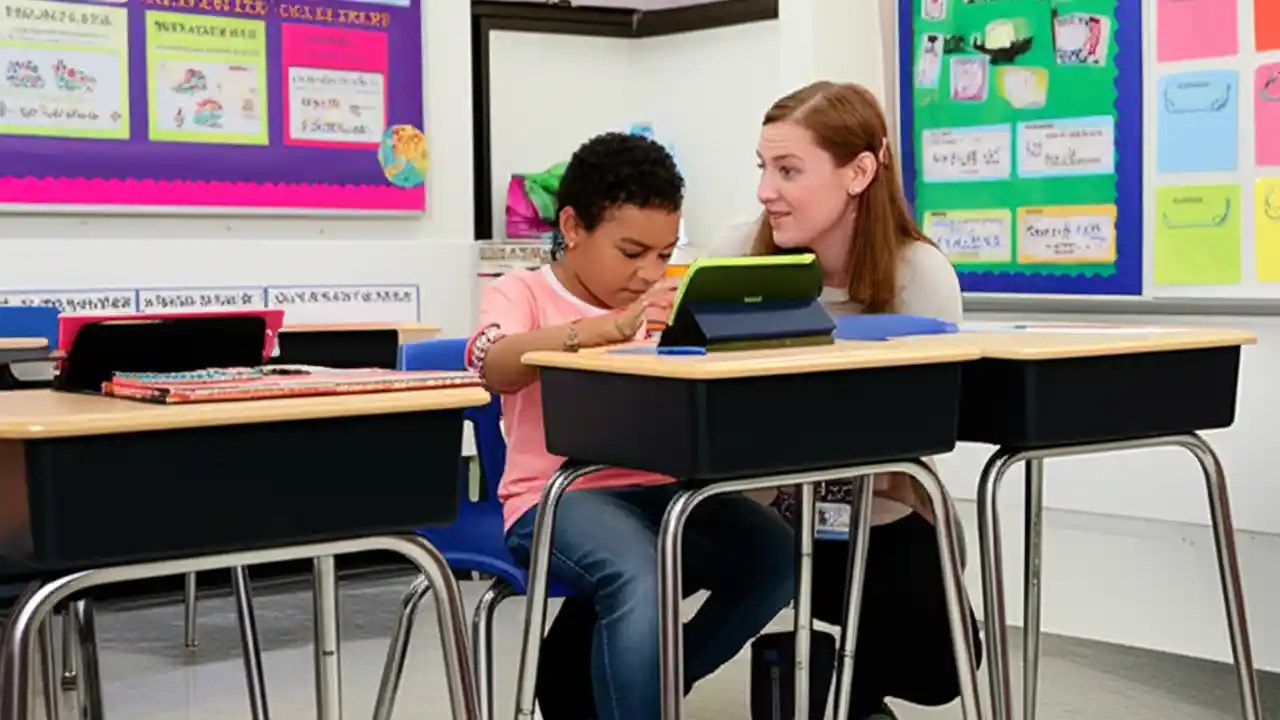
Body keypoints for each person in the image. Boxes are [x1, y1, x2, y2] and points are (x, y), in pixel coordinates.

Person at [534, 82, 981, 720]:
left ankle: (837, 687)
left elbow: (917, 429)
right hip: (736, 506)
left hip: (861, 515)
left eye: (788, 170)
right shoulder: (737, 249)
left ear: (858, 173)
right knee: (567, 685)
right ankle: (659, 686)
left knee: (939, 664)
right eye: (763, 167)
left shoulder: (919, 274)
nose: (766, 189)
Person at [469, 131, 796, 720]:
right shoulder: (522, 293)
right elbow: (493, 364)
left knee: (776, 557)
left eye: (664, 254)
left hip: (663, 490)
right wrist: (602, 331)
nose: (649, 272)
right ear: (572, 227)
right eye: (631, 252)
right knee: (638, 570)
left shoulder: (665, 304)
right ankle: (636, 690)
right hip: (556, 498)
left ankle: (652, 683)